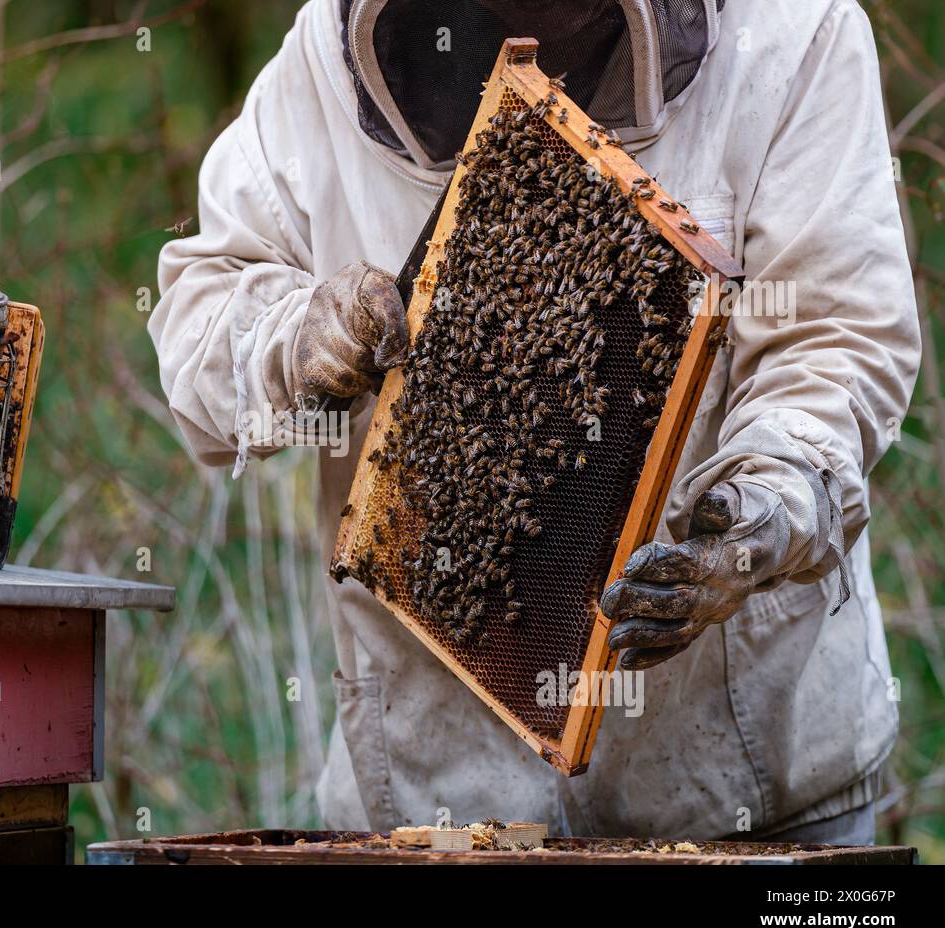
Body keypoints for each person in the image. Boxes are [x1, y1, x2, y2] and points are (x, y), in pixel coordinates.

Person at [149, 0, 920, 845]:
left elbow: (835, 337)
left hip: (747, 791)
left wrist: (771, 505)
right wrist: (290, 341)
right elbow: (202, 312)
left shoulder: (791, 32)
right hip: (434, 808)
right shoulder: (325, 66)